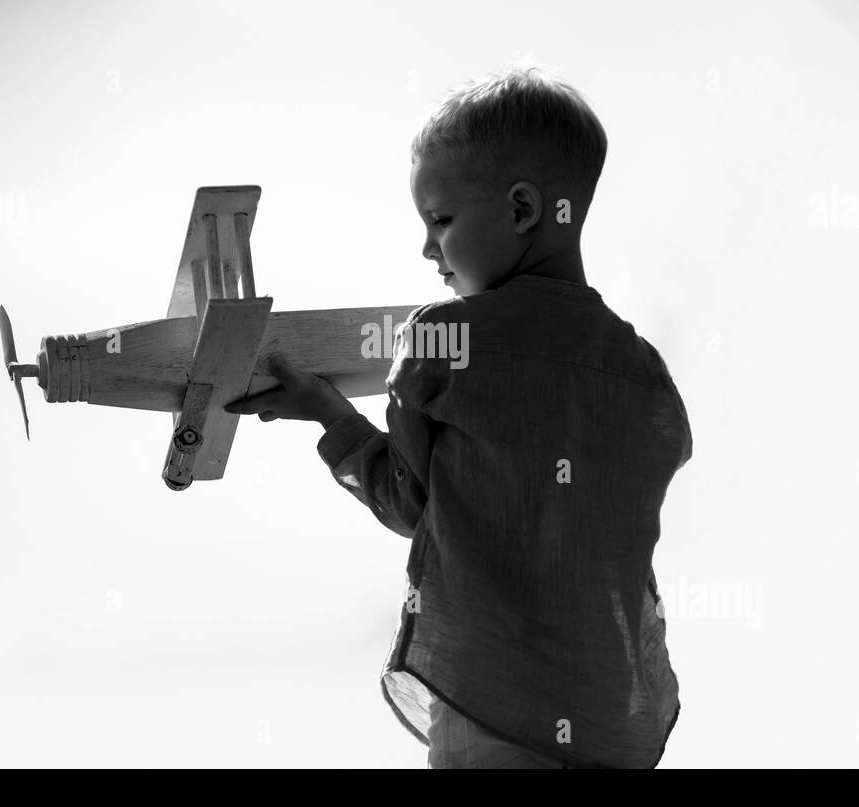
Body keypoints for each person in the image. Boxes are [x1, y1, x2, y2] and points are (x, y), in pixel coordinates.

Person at [226, 65, 693, 768]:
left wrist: (329, 414)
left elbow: (413, 501)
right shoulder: (647, 376)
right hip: (609, 719)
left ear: (522, 210)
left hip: (492, 708)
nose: (427, 248)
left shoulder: (443, 343)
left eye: (440, 220)